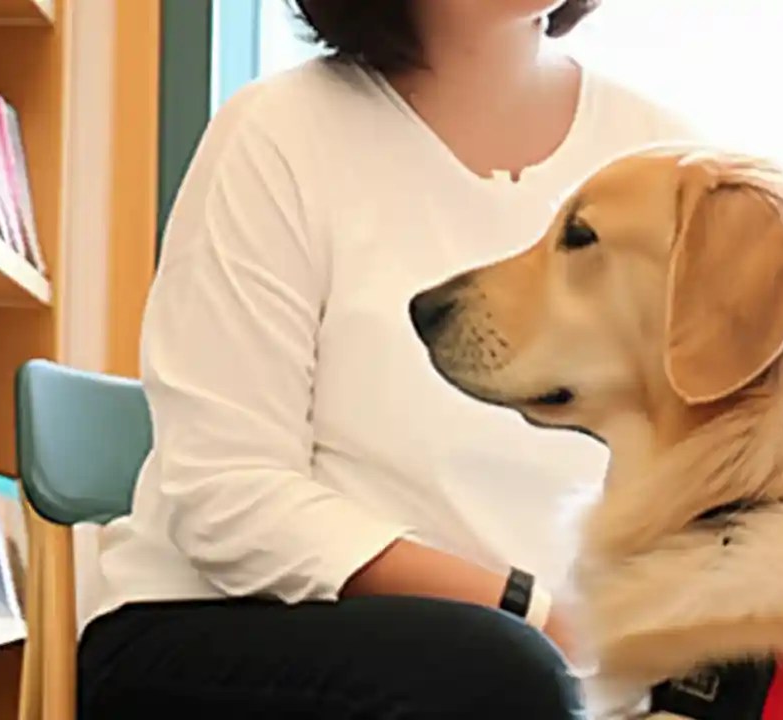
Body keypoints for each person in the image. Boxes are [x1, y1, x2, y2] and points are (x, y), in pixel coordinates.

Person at [77, 1, 694, 717]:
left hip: (544, 666)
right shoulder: (277, 133)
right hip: (225, 623)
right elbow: (227, 495)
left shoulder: (662, 162)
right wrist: (532, 609)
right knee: (495, 673)